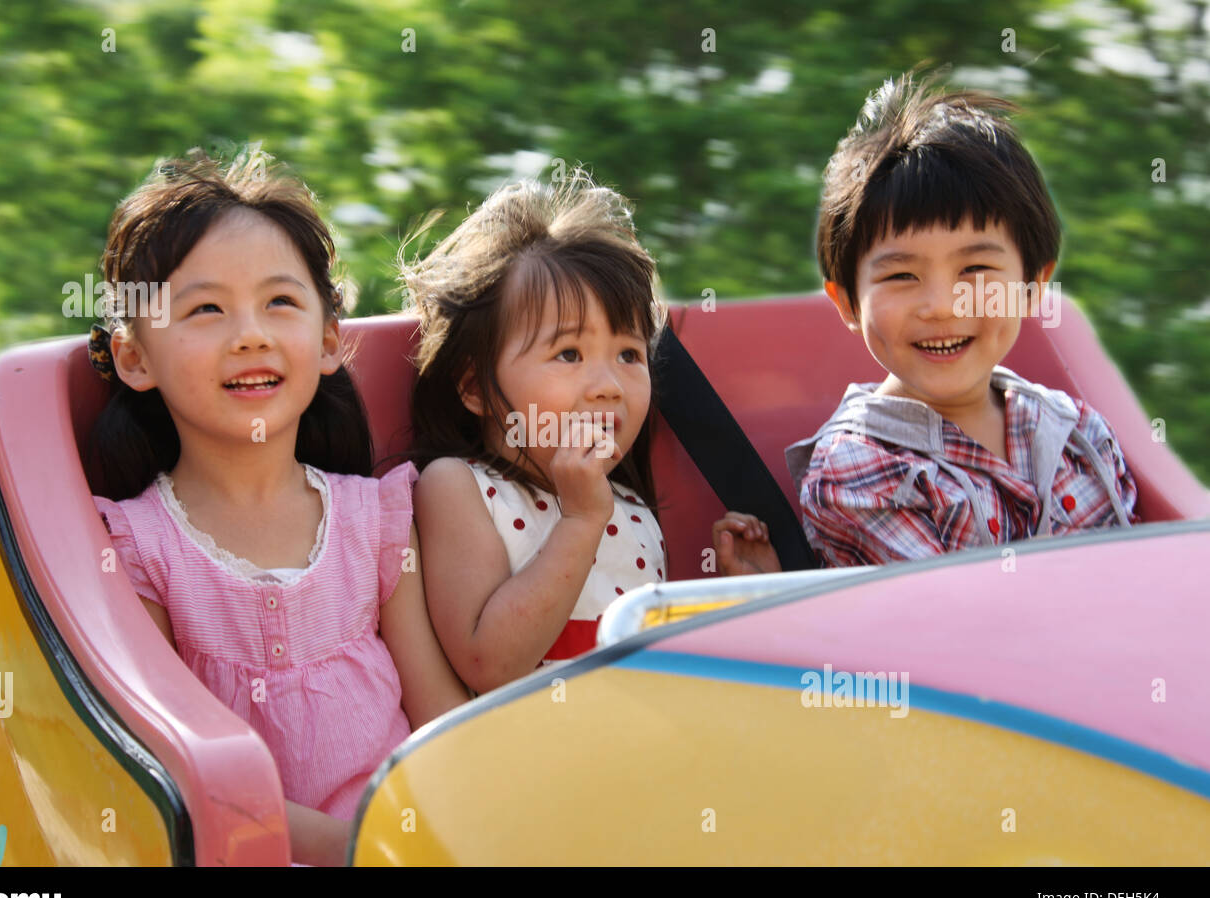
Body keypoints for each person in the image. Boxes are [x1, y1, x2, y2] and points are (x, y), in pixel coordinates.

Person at [87, 148, 468, 866]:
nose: (251, 333)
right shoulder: (137, 548)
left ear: (328, 340)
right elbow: (175, 764)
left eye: (280, 302)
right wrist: (351, 848)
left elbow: (438, 714)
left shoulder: (376, 521)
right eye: (206, 309)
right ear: (135, 357)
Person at [714, 73, 1138, 571]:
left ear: (1032, 284)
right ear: (848, 301)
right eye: (902, 275)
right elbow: (963, 632)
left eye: (975, 269)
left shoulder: (1080, 433)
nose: (941, 305)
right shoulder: (859, 474)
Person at [405, 170, 667, 692]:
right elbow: (491, 666)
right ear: (476, 387)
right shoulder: (462, 489)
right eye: (569, 353)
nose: (609, 385)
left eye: (629, 354)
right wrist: (581, 521)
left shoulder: (632, 508)